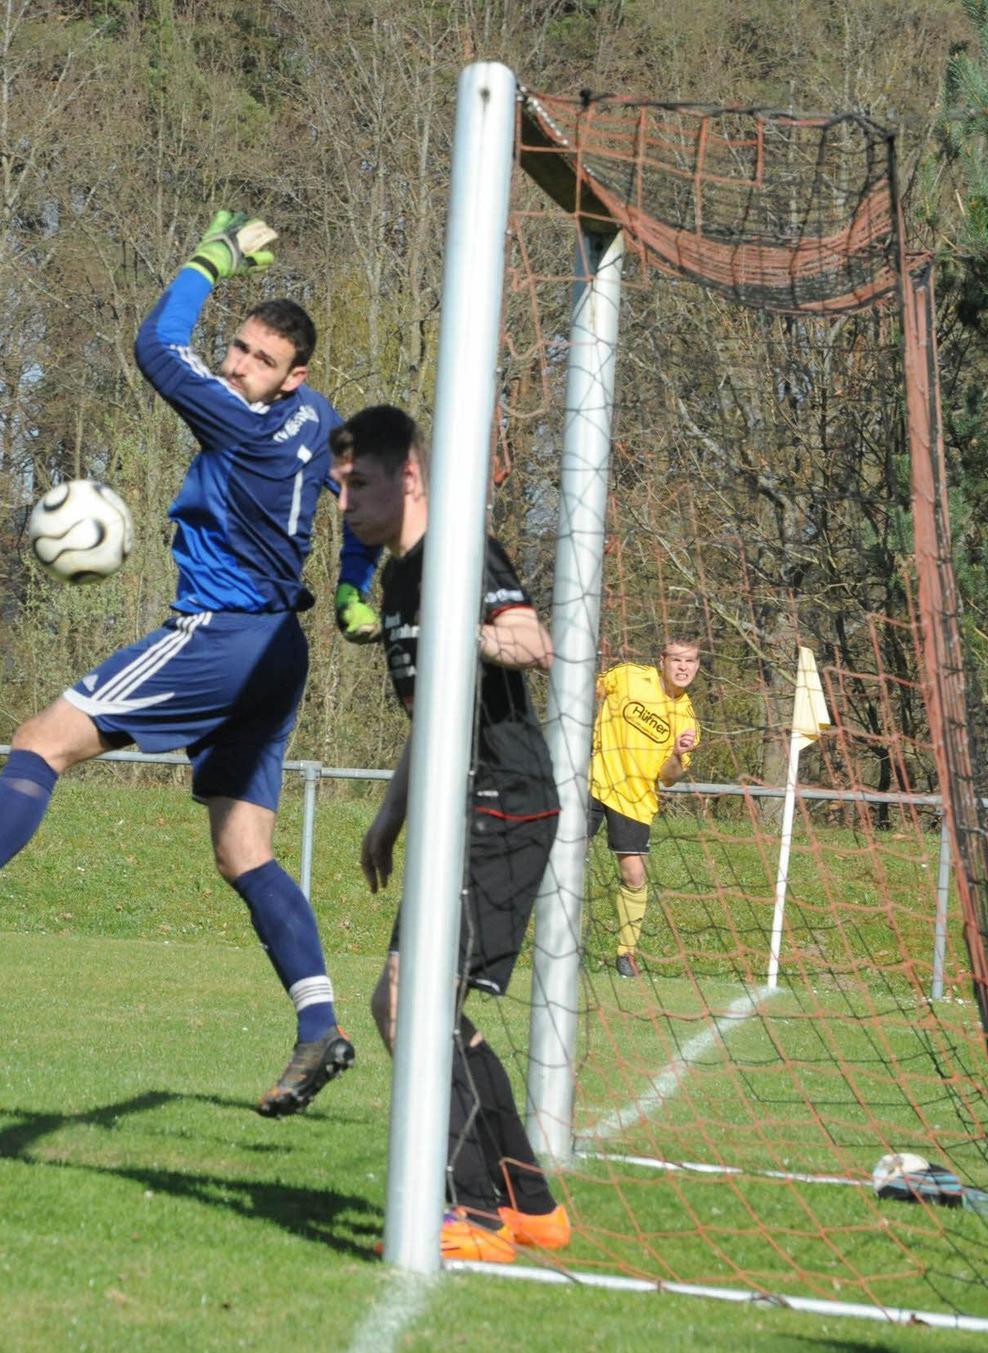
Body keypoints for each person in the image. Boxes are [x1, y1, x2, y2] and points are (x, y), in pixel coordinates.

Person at [0, 210, 378, 1117]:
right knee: (243, 850)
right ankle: (318, 1024)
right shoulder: (316, 420)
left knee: (40, 739)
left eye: (257, 360)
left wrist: (214, 252)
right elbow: (357, 487)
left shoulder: (243, 424)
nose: (238, 366)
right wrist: (354, 589)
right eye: (238, 349)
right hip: (279, 651)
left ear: (294, 376)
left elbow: (156, 342)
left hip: (219, 636)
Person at [334, 404, 571, 1262]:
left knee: (405, 1002)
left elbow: (530, 641)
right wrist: (390, 813)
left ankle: (471, 1212)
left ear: (410, 476)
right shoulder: (398, 578)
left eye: (358, 483)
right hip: (453, 805)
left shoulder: (461, 552)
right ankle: (529, 1203)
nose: (344, 502)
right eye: (338, 486)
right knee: (422, 1006)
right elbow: (430, 713)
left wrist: (469, 631)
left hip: (501, 800)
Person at [588, 640, 701, 978]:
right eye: (677, 660)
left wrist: (679, 756)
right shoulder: (628, 676)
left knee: (634, 876)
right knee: (562, 859)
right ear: (661, 660)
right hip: (592, 782)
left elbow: (669, 779)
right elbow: (585, 689)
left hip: (635, 800)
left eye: (691, 661)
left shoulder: (687, 718)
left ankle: (626, 954)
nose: (683, 667)